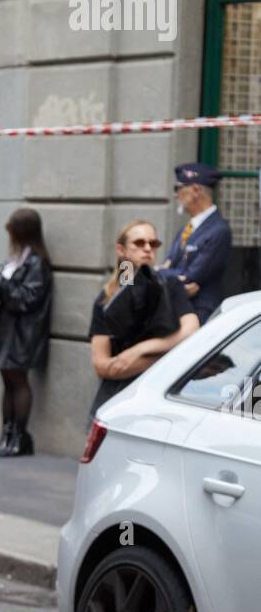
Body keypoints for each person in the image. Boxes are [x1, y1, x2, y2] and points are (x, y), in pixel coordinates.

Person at [87, 219, 199, 427]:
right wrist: (164, 355)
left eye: (153, 243)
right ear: (121, 250)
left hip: (161, 394)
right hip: (117, 396)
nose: (148, 249)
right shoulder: (107, 299)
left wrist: (140, 351)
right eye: (139, 243)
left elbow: (191, 329)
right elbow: (101, 364)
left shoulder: (170, 285)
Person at [0, 207, 52, 457]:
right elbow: (4, 295)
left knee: (18, 381)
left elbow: (26, 299)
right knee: (8, 383)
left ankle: (20, 438)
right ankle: (7, 437)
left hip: (23, 333)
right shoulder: (15, 259)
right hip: (6, 330)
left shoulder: (36, 263)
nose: (10, 237)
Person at [160, 163, 232, 324]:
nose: (175, 194)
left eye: (178, 188)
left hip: (199, 314)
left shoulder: (218, 230)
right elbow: (175, 276)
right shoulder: (187, 228)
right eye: (139, 243)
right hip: (179, 312)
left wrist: (162, 272)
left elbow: (189, 278)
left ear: (195, 190)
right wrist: (163, 272)